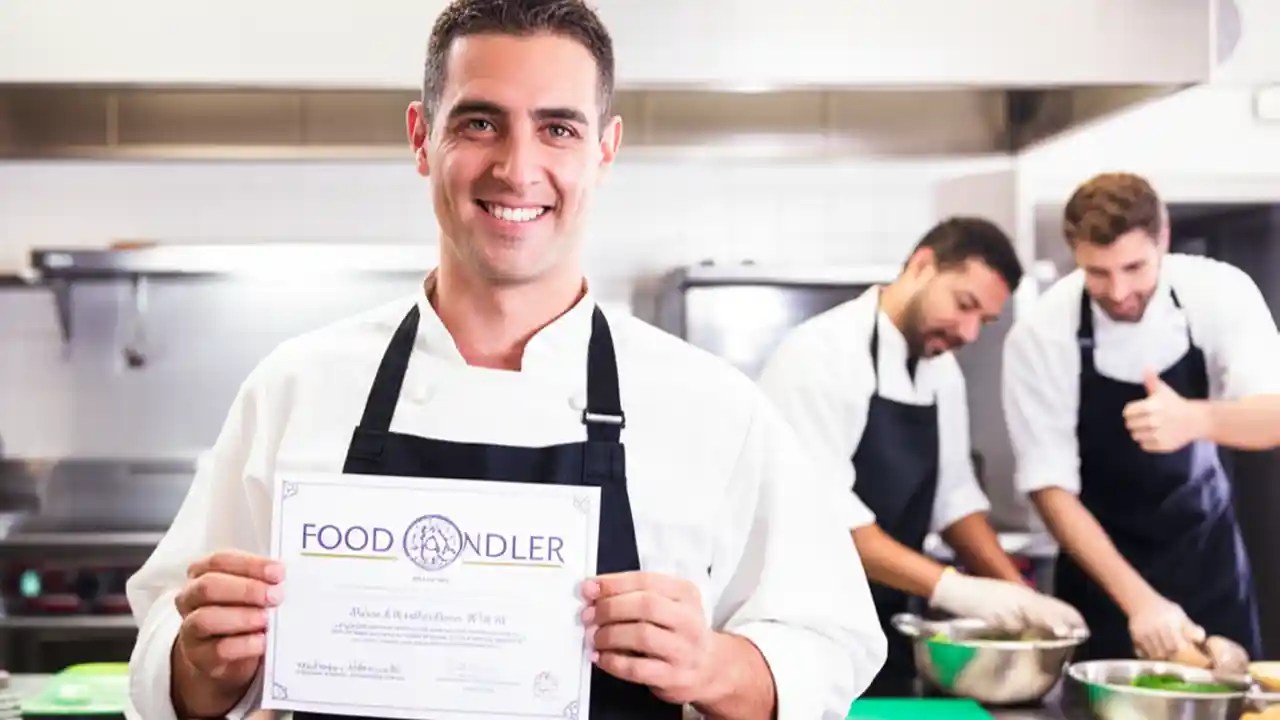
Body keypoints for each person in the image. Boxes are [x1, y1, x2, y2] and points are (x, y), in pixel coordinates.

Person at [123, 1, 887, 718]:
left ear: (604, 150)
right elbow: (162, 642)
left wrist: (715, 665)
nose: (518, 169)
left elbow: (835, 646)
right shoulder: (296, 387)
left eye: (557, 128)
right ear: (423, 139)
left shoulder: (713, 407)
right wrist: (199, 668)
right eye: (481, 122)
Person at [757, 218, 1085, 698]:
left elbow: (953, 499)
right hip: (807, 627)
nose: (970, 332)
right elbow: (827, 521)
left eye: (985, 321)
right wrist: (959, 590)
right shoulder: (821, 356)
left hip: (885, 626)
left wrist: (1020, 596)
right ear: (922, 266)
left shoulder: (940, 372)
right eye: (965, 305)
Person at [1002, 171, 1280, 669]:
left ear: (1164, 239)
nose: (1120, 290)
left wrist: (1194, 419)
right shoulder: (1043, 332)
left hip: (1209, 564)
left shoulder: (1219, 293)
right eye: (1098, 273)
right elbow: (1049, 487)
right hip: (1103, 577)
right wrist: (1140, 602)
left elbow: (1273, 418)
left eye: (1134, 267)